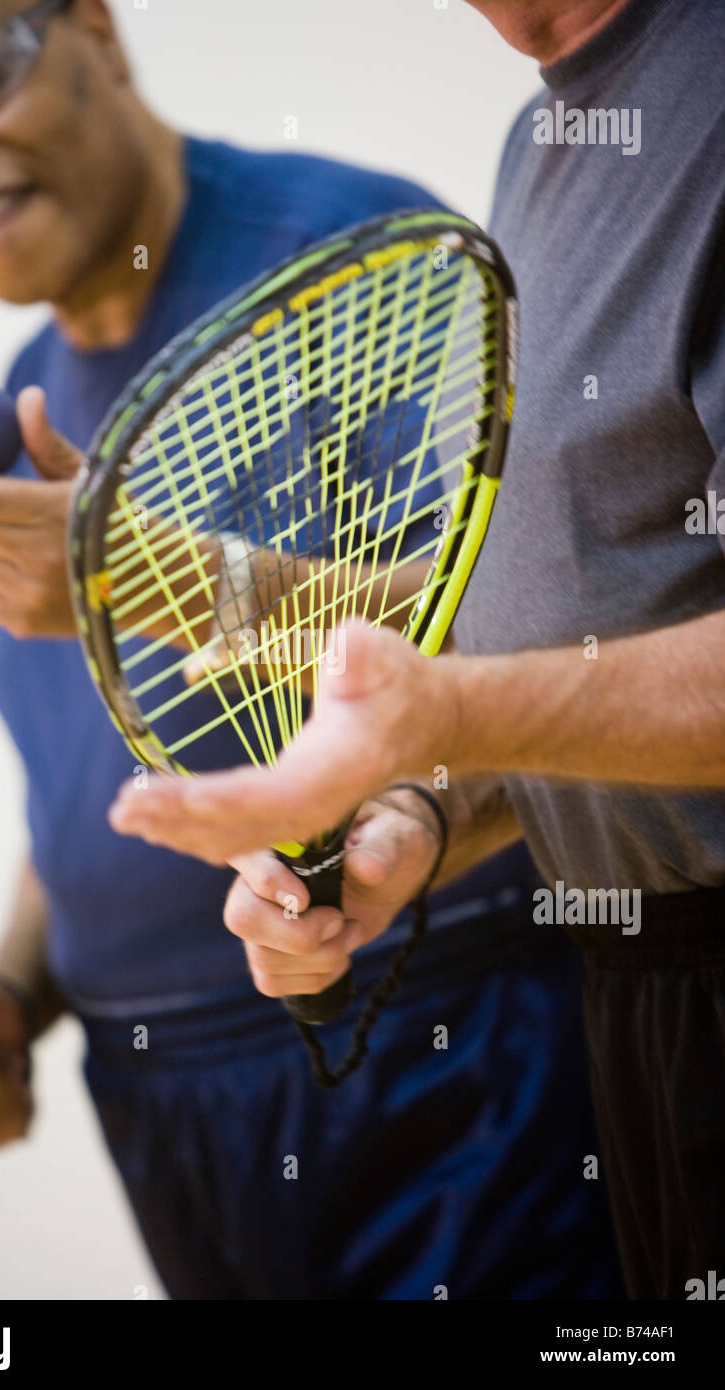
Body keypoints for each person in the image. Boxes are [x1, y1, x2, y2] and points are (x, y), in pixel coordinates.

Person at [0, 0, 619, 1298]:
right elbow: (100, 787)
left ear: (95, 29)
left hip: (443, 1058)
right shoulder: (30, 378)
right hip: (167, 1119)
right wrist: (7, 991)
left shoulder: (357, 256)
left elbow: (539, 645)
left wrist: (154, 579)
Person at [111, 0, 725, 1300]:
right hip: (645, 1015)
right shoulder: (536, 139)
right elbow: (592, 620)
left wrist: (433, 714)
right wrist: (412, 822)